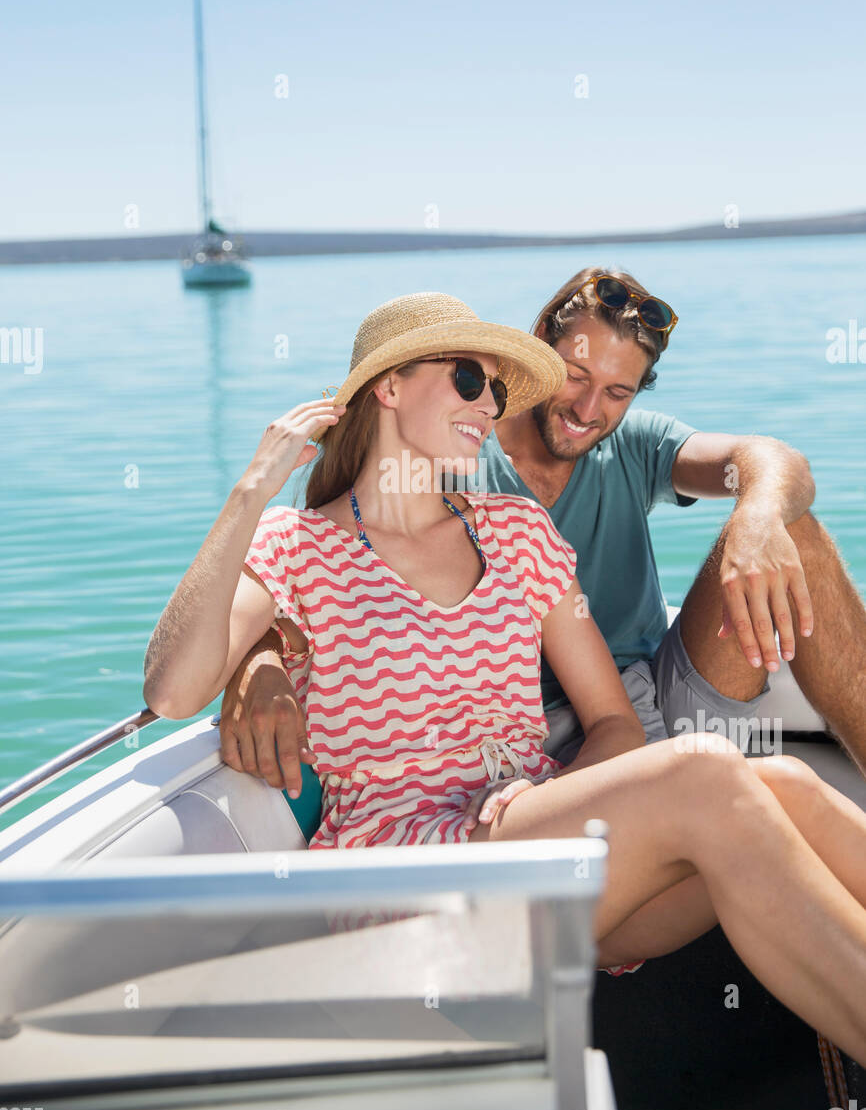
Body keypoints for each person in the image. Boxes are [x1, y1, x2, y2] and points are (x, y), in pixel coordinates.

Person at [142, 291, 866, 1067]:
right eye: (466, 379)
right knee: (709, 774)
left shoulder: (517, 534)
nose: (487, 405)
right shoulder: (297, 546)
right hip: (407, 879)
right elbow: (173, 692)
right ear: (387, 386)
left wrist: (549, 795)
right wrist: (251, 494)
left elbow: (614, 724)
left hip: (527, 846)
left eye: (493, 388)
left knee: (783, 783)